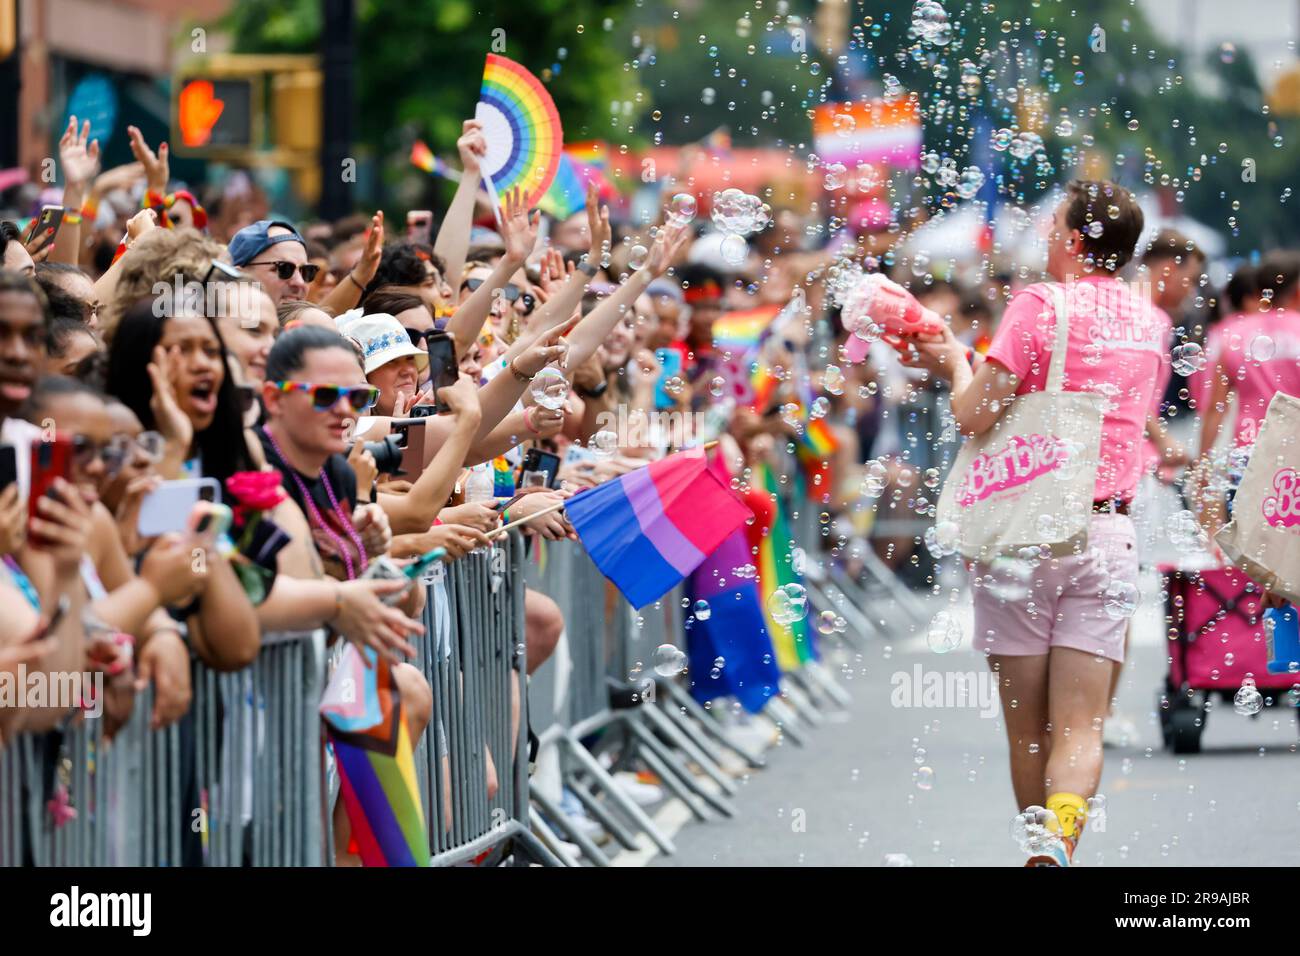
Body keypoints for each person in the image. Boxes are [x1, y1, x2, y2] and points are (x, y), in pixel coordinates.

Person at [902, 180, 1164, 866]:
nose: (1045, 238)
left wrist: (955, 361)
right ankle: (1059, 850)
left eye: (1053, 228)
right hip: (1108, 532)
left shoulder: (1040, 305)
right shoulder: (1152, 322)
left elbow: (972, 414)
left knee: (1029, 734)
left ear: (1075, 241)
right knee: (1083, 728)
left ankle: (1038, 846)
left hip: (1025, 532)